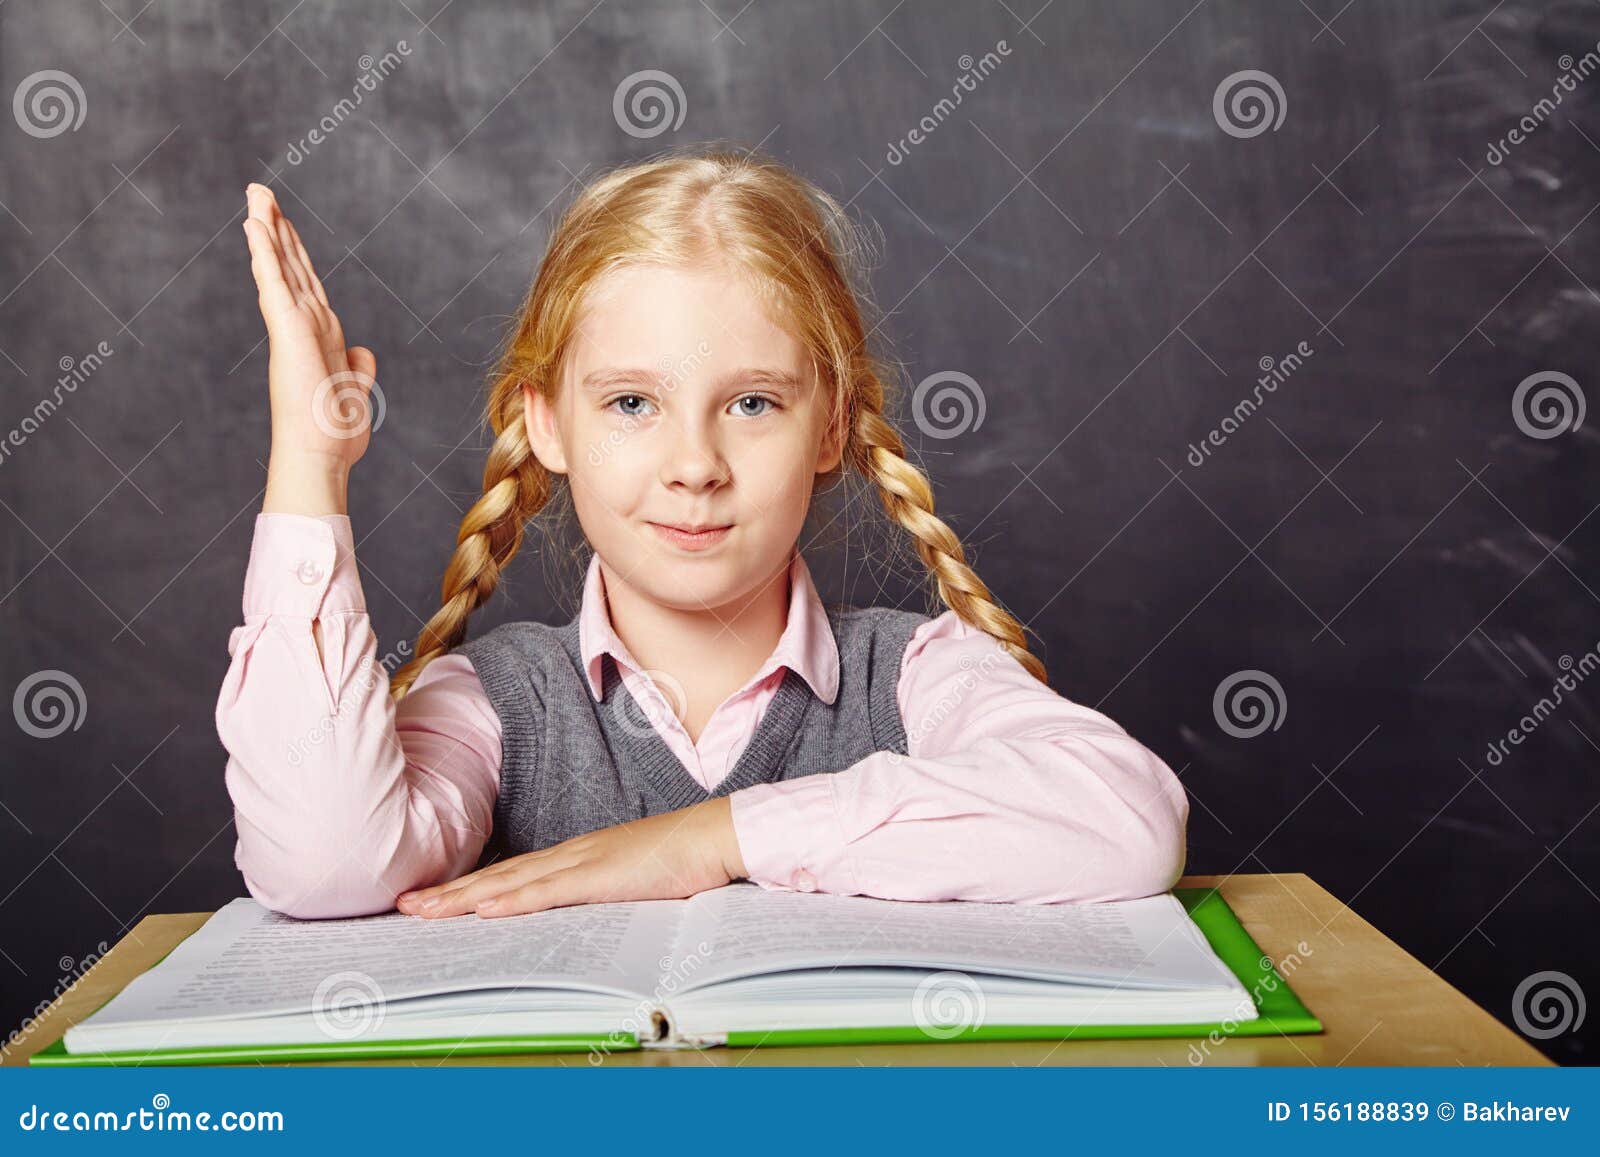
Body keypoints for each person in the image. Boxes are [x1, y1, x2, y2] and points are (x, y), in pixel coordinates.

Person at [218, 146, 1188, 921]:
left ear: (832, 423)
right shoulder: (495, 703)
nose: (695, 462)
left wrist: (714, 836)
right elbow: (324, 865)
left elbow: (1128, 819)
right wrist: (311, 463)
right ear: (548, 423)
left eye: (754, 401)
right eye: (633, 401)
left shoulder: (919, 673)